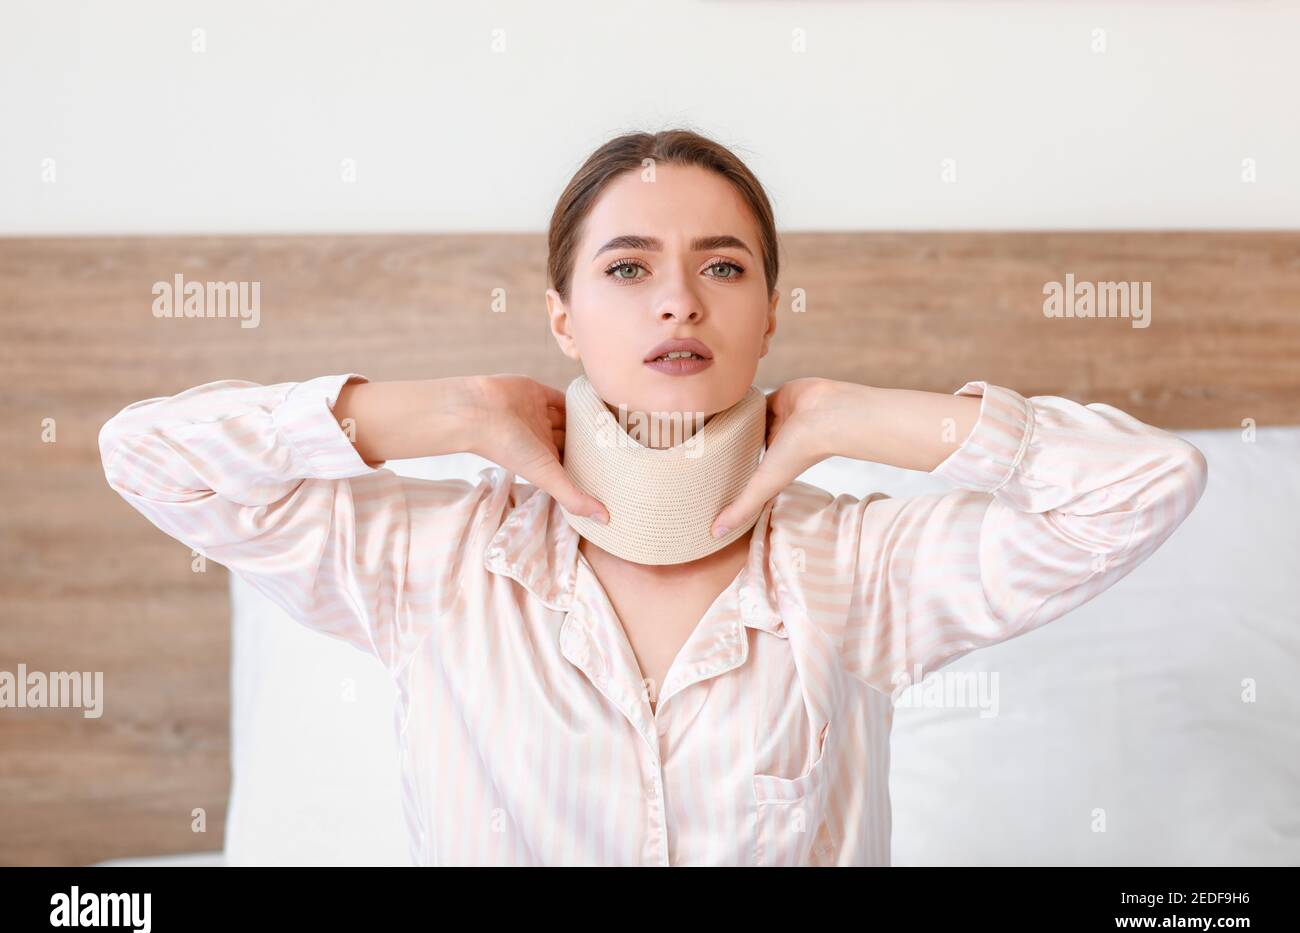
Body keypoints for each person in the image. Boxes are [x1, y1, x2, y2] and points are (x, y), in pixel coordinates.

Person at [98, 128, 1208, 866]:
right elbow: (148, 452)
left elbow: (1148, 481)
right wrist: (445, 410)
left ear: (770, 310)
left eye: (723, 268)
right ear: (564, 319)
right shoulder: (433, 559)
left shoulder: (861, 571)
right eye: (627, 269)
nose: (678, 300)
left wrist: (850, 417)